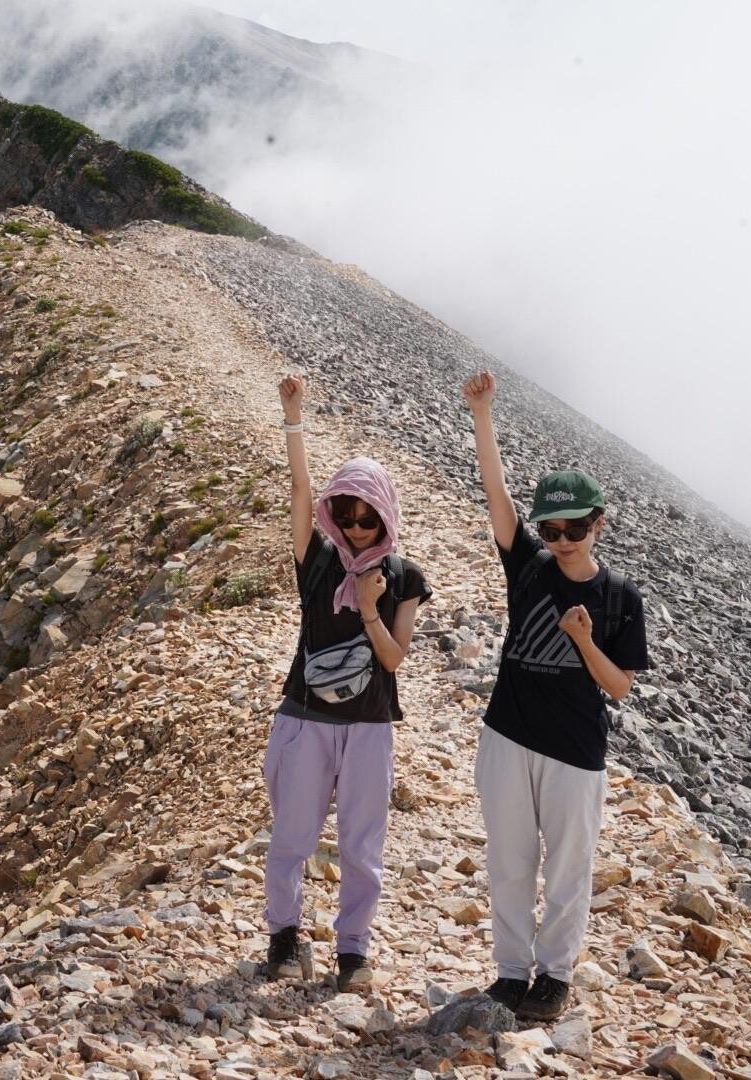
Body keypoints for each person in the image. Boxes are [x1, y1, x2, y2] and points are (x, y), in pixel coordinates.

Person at [462, 369, 652, 1021]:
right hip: (508, 735)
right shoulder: (529, 565)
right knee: (509, 859)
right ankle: (511, 972)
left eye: (575, 528)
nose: (563, 541)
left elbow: (620, 687)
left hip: (574, 751)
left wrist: (584, 641)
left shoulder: (620, 598)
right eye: (552, 530)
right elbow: (496, 494)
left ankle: (556, 976)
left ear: (599, 524)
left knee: (569, 868)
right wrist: (482, 414)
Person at [261, 374, 432, 992]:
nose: (356, 528)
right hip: (305, 718)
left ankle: (352, 951)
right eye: (345, 514)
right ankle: (284, 937)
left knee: (362, 846)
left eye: (367, 518)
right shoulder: (316, 558)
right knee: (292, 837)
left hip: (368, 727)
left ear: (386, 515)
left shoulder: (403, 578)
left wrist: (368, 606)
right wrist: (294, 417)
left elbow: (393, 660)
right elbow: (298, 488)